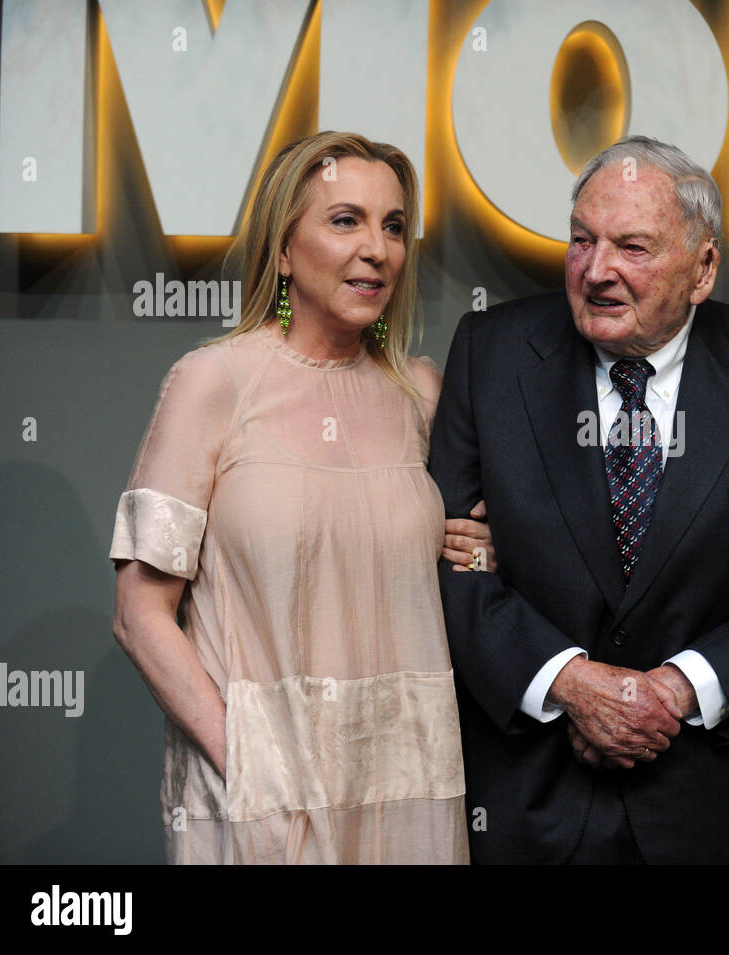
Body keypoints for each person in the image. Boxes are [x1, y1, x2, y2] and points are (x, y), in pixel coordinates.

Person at [428, 136, 729, 864]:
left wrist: (683, 688)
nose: (597, 271)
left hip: (721, 808)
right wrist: (570, 682)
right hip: (536, 806)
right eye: (581, 241)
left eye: (633, 247)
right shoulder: (490, 354)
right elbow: (453, 565)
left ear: (703, 268)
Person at [110, 131, 489, 864]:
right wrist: (249, 766)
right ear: (283, 250)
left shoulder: (421, 395)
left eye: (394, 225)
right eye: (345, 220)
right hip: (263, 803)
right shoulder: (213, 382)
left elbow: (453, 570)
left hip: (408, 795)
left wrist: (477, 550)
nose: (377, 248)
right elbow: (139, 614)